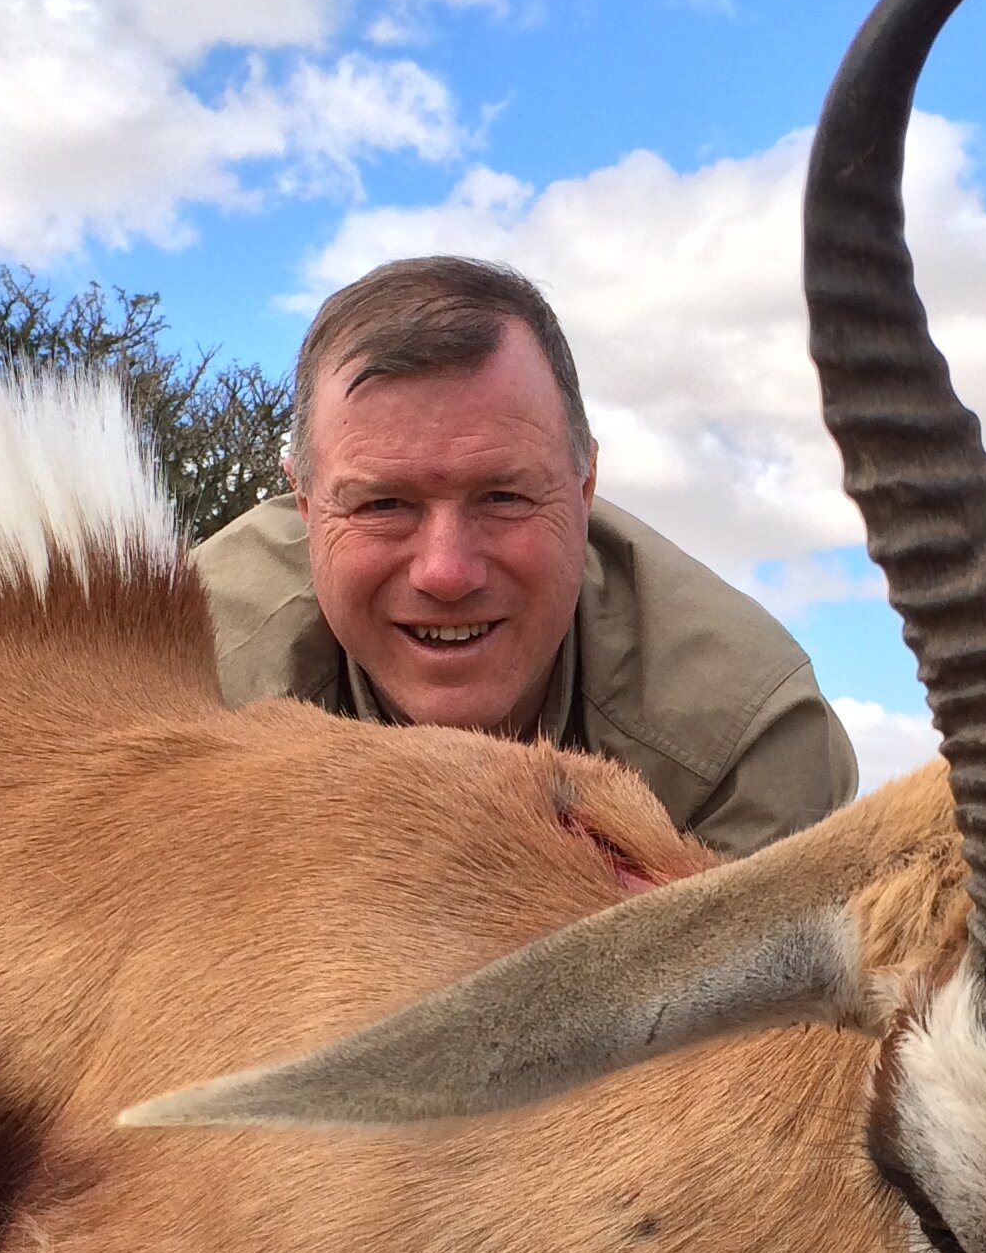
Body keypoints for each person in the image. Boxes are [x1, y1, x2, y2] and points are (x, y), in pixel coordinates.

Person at [193, 256, 858, 857]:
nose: (446, 573)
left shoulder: (742, 743)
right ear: (306, 509)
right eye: (382, 506)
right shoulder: (187, 680)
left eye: (503, 497)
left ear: (585, 487)